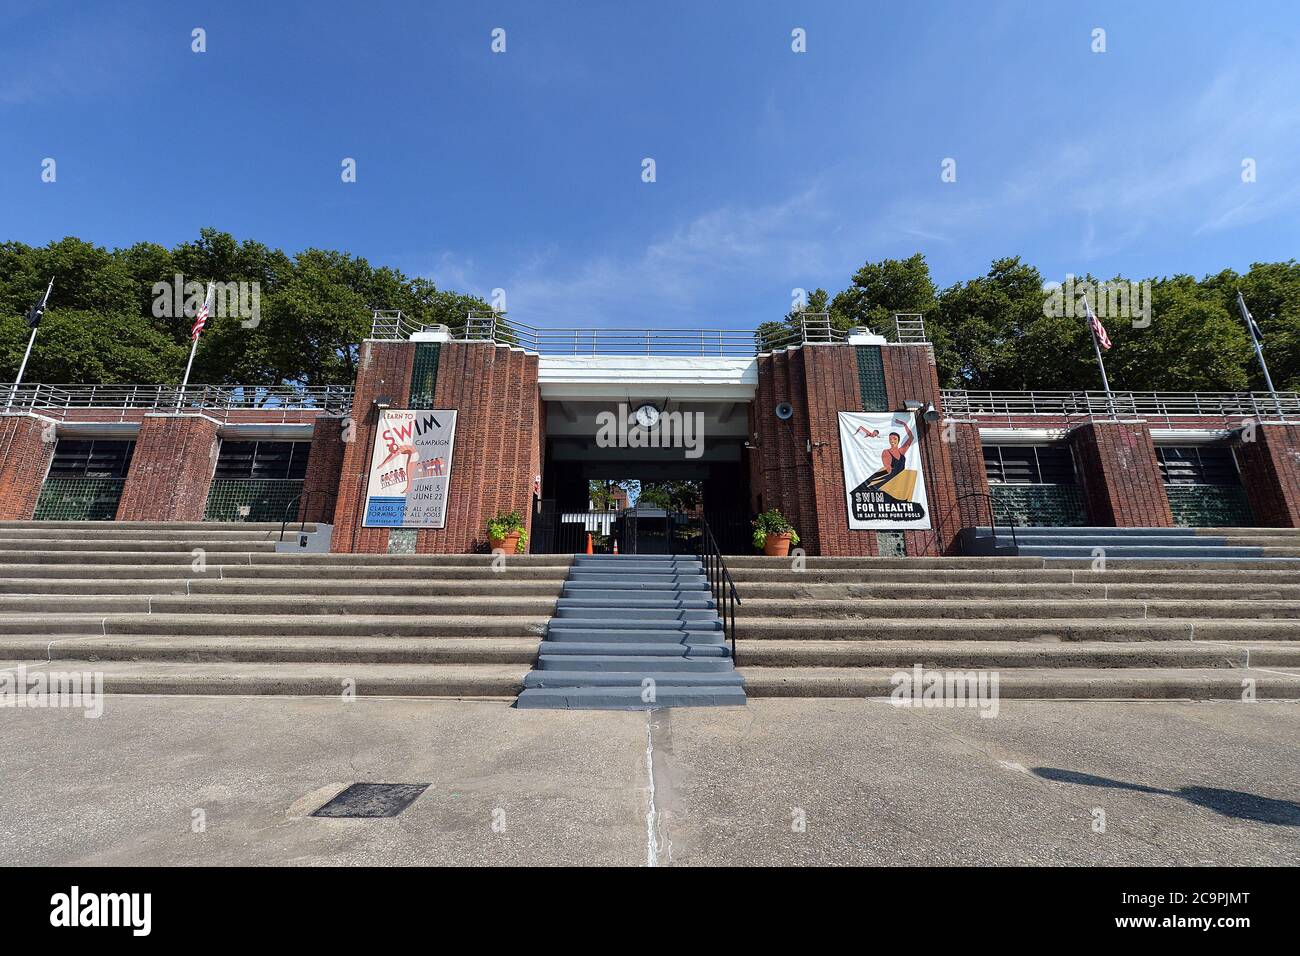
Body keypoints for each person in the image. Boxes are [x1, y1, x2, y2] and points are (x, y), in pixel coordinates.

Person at [863, 419, 914, 491]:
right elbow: (887, 468)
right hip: (889, 484)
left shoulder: (901, 451)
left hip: (900, 482)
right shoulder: (886, 452)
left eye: (894, 439)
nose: (892, 441)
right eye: (890, 439)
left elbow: (911, 437)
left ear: (898, 440)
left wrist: (904, 424)